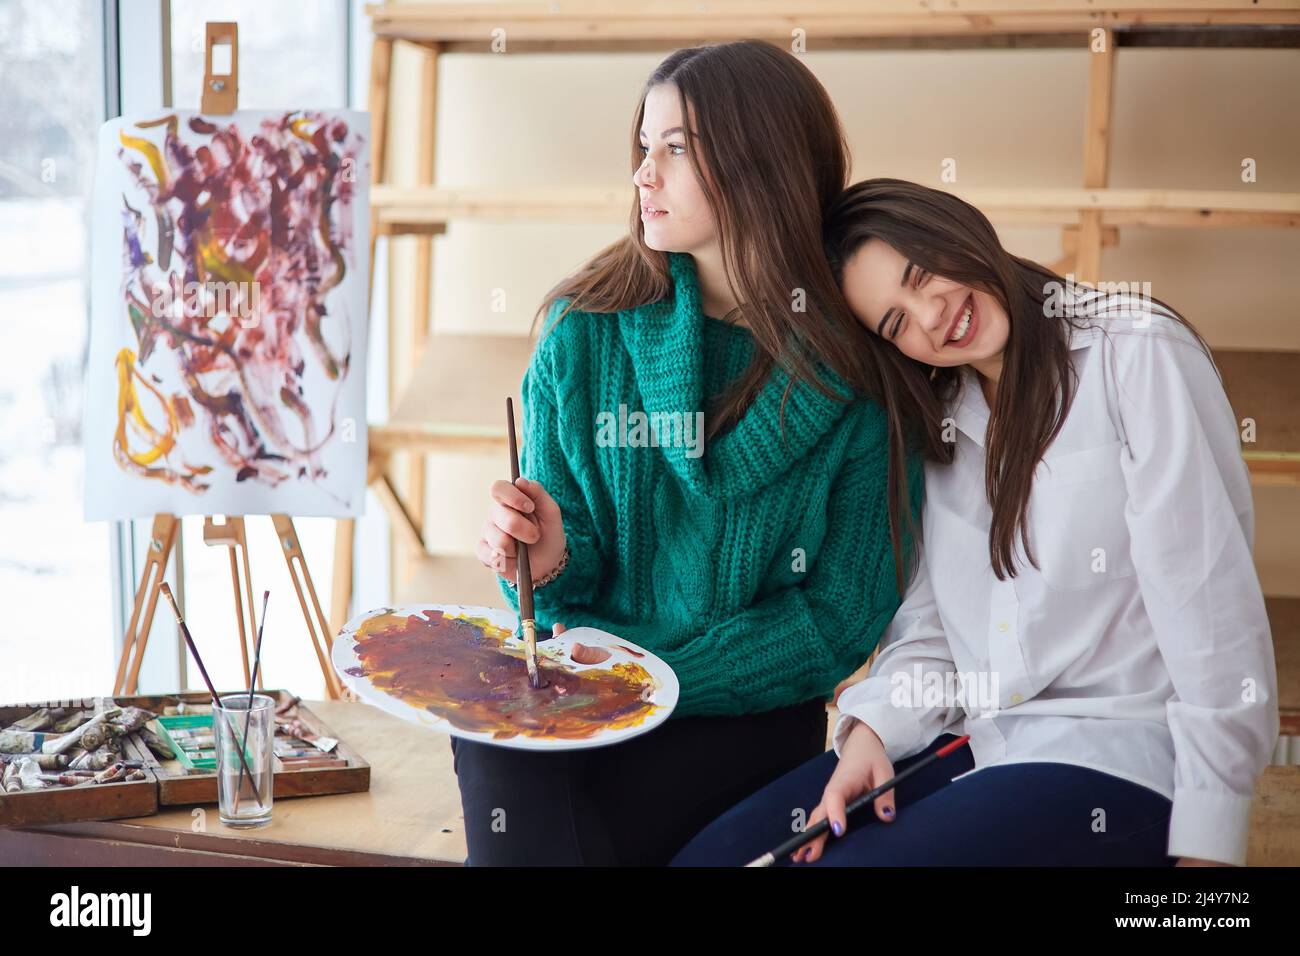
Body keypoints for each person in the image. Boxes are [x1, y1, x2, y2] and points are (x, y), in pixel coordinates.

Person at [671, 178, 1278, 867]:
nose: (930, 315)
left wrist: (1212, 839)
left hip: (1117, 756)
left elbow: (1208, 608)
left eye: (922, 274)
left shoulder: (1133, 353)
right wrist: (871, 733)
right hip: (973, 742)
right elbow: (932, 627)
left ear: (955, 229)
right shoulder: (943, 421)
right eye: (896, 323)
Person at [456, 46, 924, 866]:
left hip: (746, 716)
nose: (643, 174)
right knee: (499, 740)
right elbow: (563, 582)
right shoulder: (583, 331)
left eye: (675, 148)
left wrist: (659, 681)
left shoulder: (862, 373)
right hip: (583, 692)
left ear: (763, 164)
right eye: (643, 146)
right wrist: (547, 555)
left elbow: (839, 615)